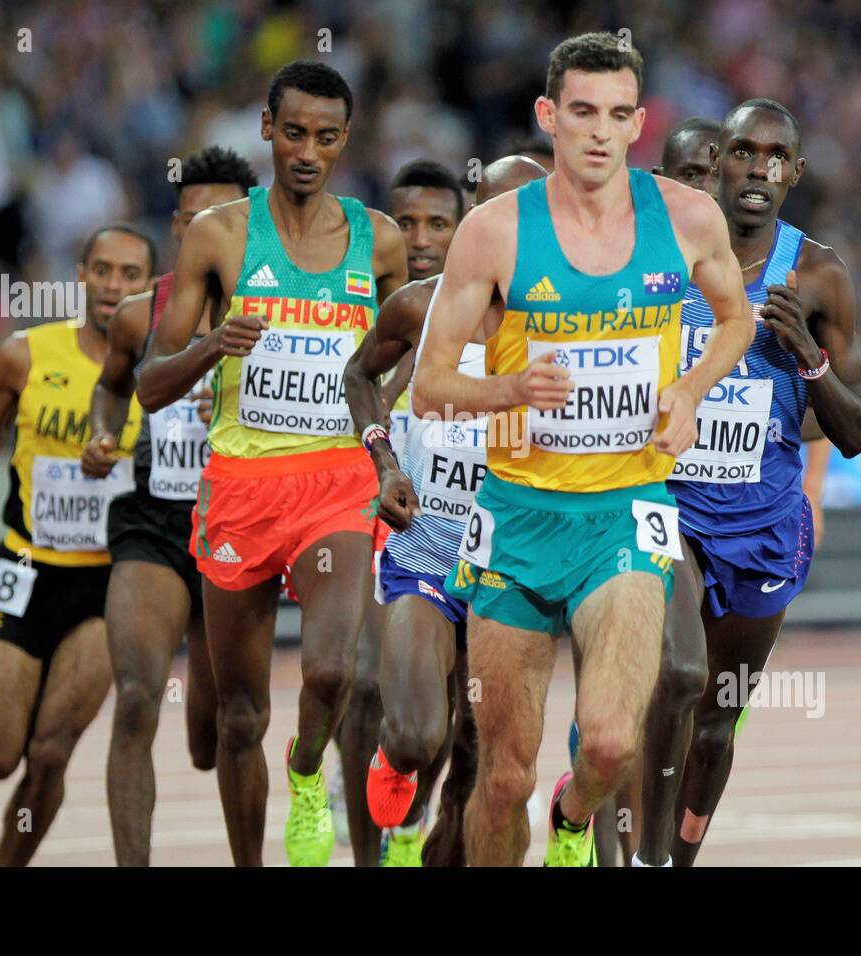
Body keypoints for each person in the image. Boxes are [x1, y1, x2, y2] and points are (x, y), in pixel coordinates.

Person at [413, 33, 755, 866]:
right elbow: (427, 386)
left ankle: (572, 824)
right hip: (516, 519)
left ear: (639, 122)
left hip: (625, 514)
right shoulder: (493, 234)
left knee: (607, 745)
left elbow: (737, 319)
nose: (599, 132)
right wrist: (507, 391)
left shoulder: (687, 218)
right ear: (548, 117)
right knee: (501, 776)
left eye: (616, 115)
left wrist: (690, 388)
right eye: (580, 112)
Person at [136, 60, 408, 867]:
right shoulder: (221, 234)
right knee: (240, 715)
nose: (307, 152)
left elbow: (407, 340)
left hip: (336, 484)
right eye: (293, 133)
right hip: (240, 490)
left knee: (330, 670)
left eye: (326, 138)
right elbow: (150, 385)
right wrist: (213, 345)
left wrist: (378, 413)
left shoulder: (379, 239)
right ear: (266, 129)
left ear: (345, 141)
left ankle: (307, 772)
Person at [637, 99, 861, 867]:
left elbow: (857, 430)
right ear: (719, 161)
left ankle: (674, 856)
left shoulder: (817, 273)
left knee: (715, 720)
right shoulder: (657, 257)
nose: (758, 169)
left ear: (794, 175)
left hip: (763, 521)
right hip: (663, 505)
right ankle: (636, 853)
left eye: (777, 158)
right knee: (676, 674)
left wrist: (808, 357)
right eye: (744, 152)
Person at [0, 224, 155, 865]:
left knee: (51, 750)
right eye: (103, 270)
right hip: (25, 564)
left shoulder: (162, 375)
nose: (114, 285)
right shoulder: (24, 354)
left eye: (131, 275)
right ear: (80, 275)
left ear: (151, 287)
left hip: (109, 582)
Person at [345, 155, 548, 866]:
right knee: (416, 734)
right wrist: (386, 461)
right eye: (497, 211)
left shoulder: (579, 323)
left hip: (515, 565)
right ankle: (389, 763)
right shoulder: (418, 306)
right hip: (427, 550)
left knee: (482, 763)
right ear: (476, 217)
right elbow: (359, 374)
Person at [80, 146, 257, 866]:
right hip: (154, 522)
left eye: (222, 219)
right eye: (191, 219)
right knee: (138, 699)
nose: (203, 231)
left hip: (240, 523)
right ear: (178, 225)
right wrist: (101, 431)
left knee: (218, 734)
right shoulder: (139, 312)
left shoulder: (284, 303)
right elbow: (115, 385)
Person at [337, 157, 470, 865]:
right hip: (369, 504)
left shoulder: (509, 306)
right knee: (362, 678)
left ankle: (420, 828)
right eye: (406, 222)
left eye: (438, 222)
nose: (420, 237)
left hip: (487, 536)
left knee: (464, 715)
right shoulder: (377, 302)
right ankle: (357, 814)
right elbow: (355, 382)